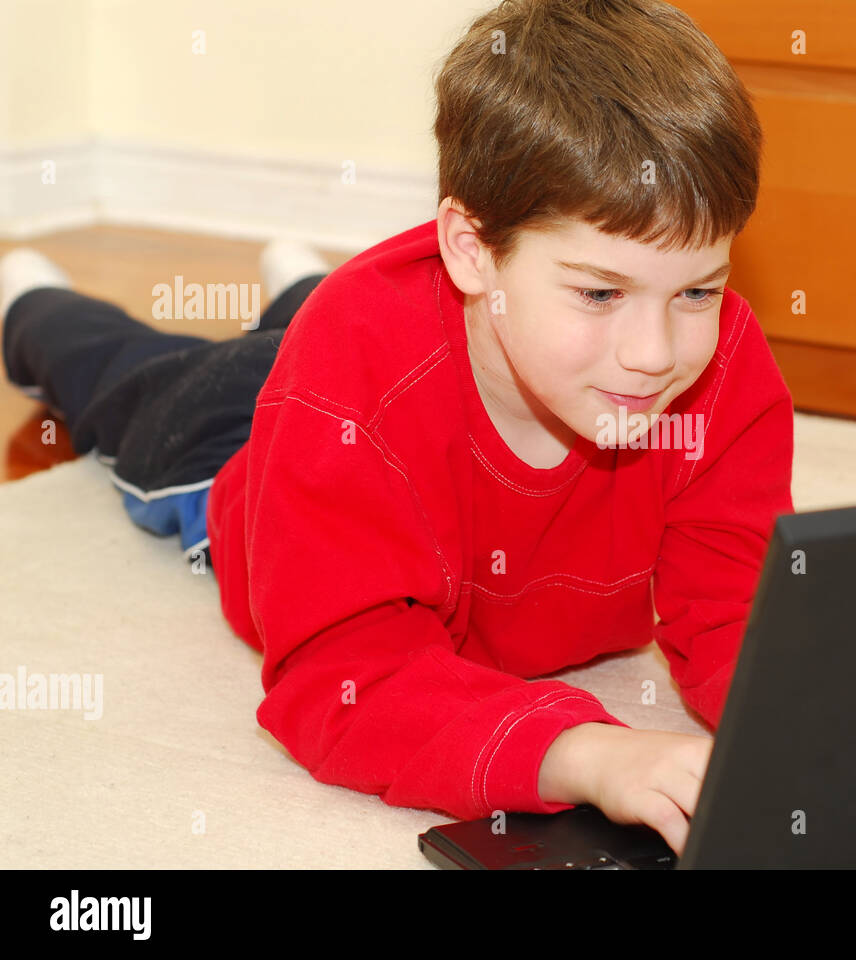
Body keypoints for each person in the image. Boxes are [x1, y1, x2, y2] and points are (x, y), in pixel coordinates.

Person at [0, 0, 793, 859]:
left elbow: (734, 599)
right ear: (470, 250)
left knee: (322, 327)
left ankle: (297, 279)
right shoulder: (343, 399)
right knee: (133, 380)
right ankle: (33, 306)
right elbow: (346, 680)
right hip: (235, 442)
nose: (654, 353)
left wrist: (815, 717)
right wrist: (587, 751)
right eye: (600, 294)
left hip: (388, 355)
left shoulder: (715, 369)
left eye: (699, 292)